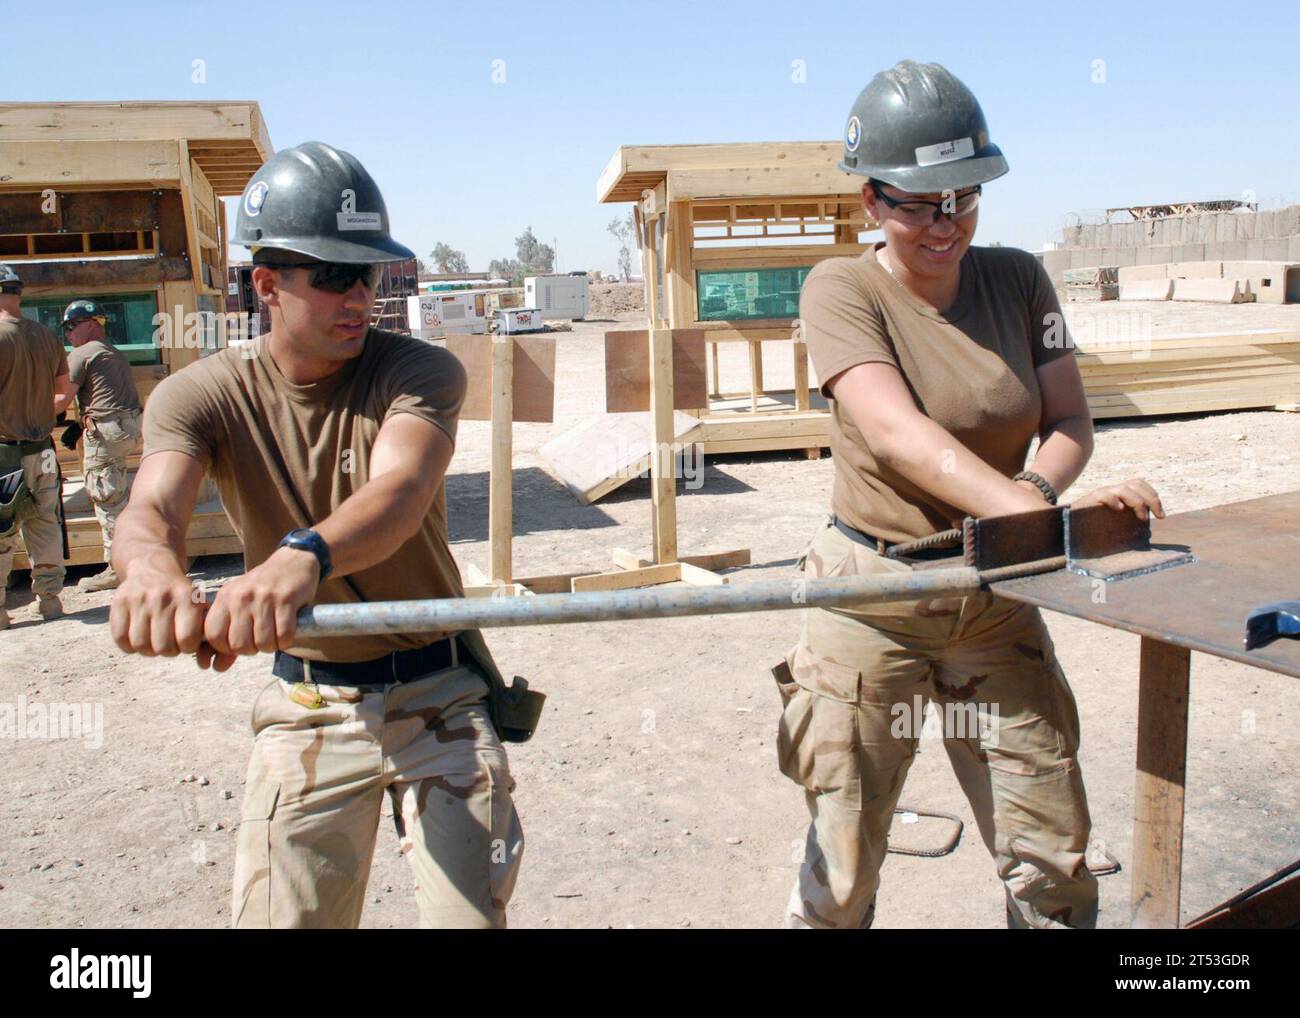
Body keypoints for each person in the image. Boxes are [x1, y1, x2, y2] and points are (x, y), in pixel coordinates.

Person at [109, 141, 542, 928]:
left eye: (368, 274)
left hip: (438, 689)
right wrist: (146, 570)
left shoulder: (417, 371)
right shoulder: (198, 395)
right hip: (311, 695)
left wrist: (302, 556)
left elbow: (399, 490)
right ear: (267, 284)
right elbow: (151, 511)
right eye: (334, 275)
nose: (359, 296)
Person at [775, 60, 1165, 929]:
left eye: (962, 198)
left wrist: (1035, 492)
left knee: (1053, 862)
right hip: (875, 599)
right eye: (916, 203)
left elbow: (1070, 421)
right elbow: (898, 435)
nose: (943, 223)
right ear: (870, 201)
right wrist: (1046, 519)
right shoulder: (840, 287)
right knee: (842, 874)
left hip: (995, 596)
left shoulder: (1021, 279)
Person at [0, 262, 72, 628]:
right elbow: (64, 393)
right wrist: (39, 414)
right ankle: (50, 601)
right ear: (18, 293)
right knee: (45, 522)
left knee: (2, 529)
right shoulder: (47, 336)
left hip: (4, 454)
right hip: (42, 447)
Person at [62, 298, 143, 592]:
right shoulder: (113, 353)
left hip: (105, 435)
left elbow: (61, 399)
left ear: (93, 325)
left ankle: (117, 569)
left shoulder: (82, 354)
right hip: (127, 430)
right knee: (118, 497)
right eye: (65, 327)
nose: (68, 332)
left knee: (107, 502)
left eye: (72, 325)